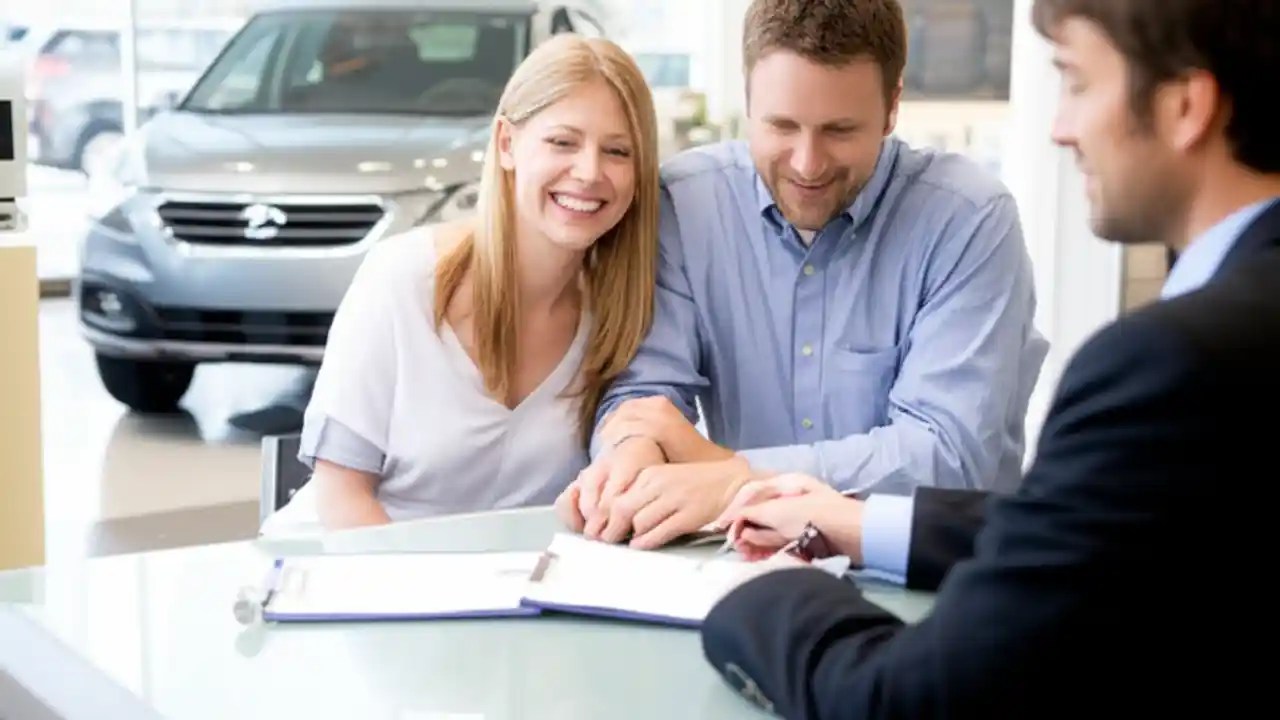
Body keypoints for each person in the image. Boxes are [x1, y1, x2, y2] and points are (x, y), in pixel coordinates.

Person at [700, 0, 1279, 716]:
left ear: (1185, 106)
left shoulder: (1170, 364)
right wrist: (857, 522)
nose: (1060, 128)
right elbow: (1093, 534)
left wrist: (761, 595)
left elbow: (908, 700)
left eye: (1077, 82)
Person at [555, 0, 1047, 550]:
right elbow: (646, 393)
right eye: (782, 126)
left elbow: (948, 459)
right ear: (747, 99)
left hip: (930, 571)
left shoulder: (969, 220)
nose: (808, 164)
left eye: (840, 130)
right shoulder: (684, 205)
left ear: (892, 107)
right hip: (743, 564)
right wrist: (632, 451)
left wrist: (736, 480)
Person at [259, 34, 660, 534]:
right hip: (346, 566)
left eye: (618, 151)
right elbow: (341, 497)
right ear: (507, 144)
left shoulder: (617, 316)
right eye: (563, 142)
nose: (589, 171)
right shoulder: (403, 278)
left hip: (510, 579)